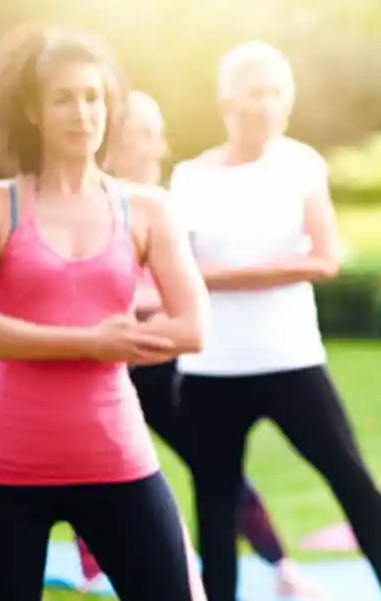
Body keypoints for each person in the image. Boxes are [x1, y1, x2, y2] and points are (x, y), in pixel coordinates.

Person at [0, 25, 206, 600]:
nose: (82, 112)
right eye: (63, 97)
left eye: (93, 97)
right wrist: (93, 342)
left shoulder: (148, 209)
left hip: (117, 459)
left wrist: (107, 342)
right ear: (33, 110)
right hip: (0, 470)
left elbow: (192, 326)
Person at [169, 41, 381, 601]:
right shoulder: (190, 177)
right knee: (215, 506)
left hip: (290, 361)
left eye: (277, 91)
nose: (266, 103)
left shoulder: (301, 164)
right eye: (255, 91)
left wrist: (221, 273)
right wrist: (274, 269)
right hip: (212, 367)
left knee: (357, 487)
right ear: (228, 99)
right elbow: (177, 272)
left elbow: (324, 260)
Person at [75, 90, 319, 598]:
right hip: (100, 366)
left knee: (215, 472)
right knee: (80, 468)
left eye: (152, 131)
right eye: (139, 131)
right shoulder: (89, 204)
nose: (153, 144)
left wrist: (145, 315)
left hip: (164, 369)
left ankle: (278, 563)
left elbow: (184, 292)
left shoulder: (166, 206)